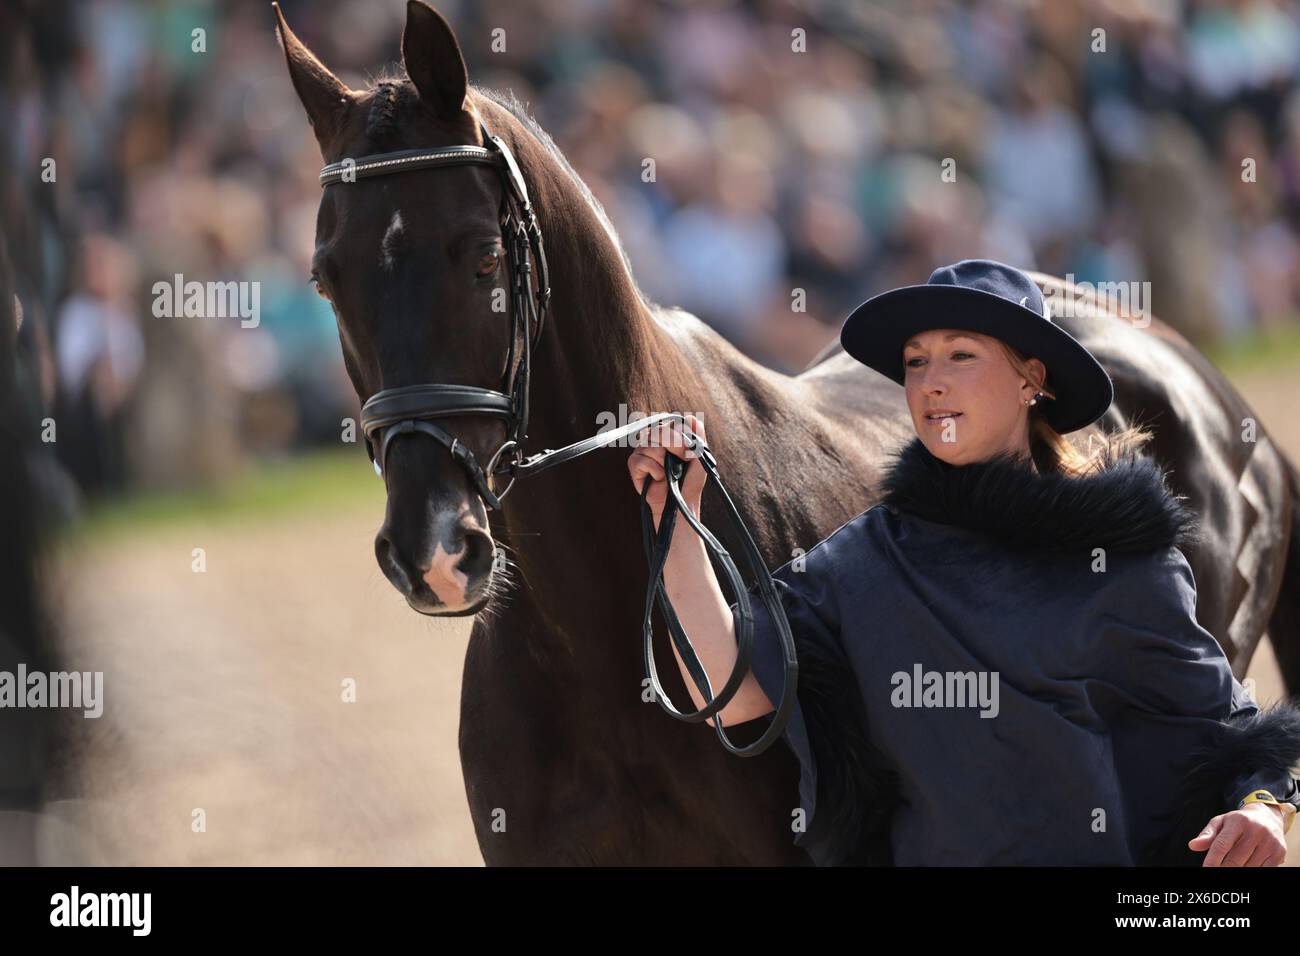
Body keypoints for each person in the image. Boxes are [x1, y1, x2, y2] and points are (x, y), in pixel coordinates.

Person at [628, 258, 1300, 867]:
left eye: (960, 355)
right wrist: (672, 521)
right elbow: (728, 687)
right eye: (916, 363)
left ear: (1030, 380)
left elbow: (1227, 728)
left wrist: (1264, 809)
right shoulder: (857, 564)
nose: (932, 382)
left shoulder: (1120, 562)